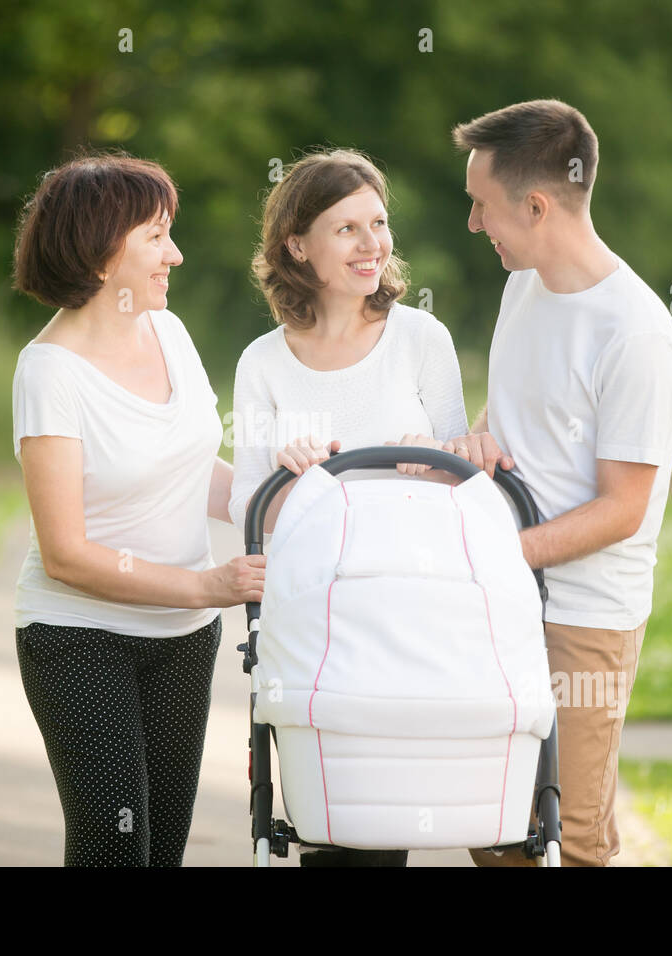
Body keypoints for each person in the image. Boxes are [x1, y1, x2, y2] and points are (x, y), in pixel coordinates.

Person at [401, 99, 672, 866]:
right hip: (498, 597)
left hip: (582, 620)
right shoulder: (522, 286)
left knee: (567, 839)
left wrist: (501, 554)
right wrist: (461, 450)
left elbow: (624, 509)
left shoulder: (635, 333)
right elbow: (512, 419)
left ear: (535, 205)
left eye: (481, 205)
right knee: (489, 825)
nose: (472, 224)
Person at [9, 151, 266, 866]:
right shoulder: (50, 373)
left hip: (184, 639)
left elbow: (190, 468)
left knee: (161, 853)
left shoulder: (169, 333)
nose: (174, 255)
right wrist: (205, 586)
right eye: (155, 236)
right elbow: (65, 554)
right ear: (98, 252)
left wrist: (279, 498)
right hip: (81, 640)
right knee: (114, 852)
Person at [228, 148, 470, 866]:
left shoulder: (422, 340)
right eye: (347, 229)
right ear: (296, 245)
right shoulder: (262, 363)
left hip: (408, 613)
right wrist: (284, 473)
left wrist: (431, 458)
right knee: (326, 825)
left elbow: (466, 488)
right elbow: (247, 507)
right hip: (312, 622)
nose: (373, 245)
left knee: (382, 824)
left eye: (379, 223)